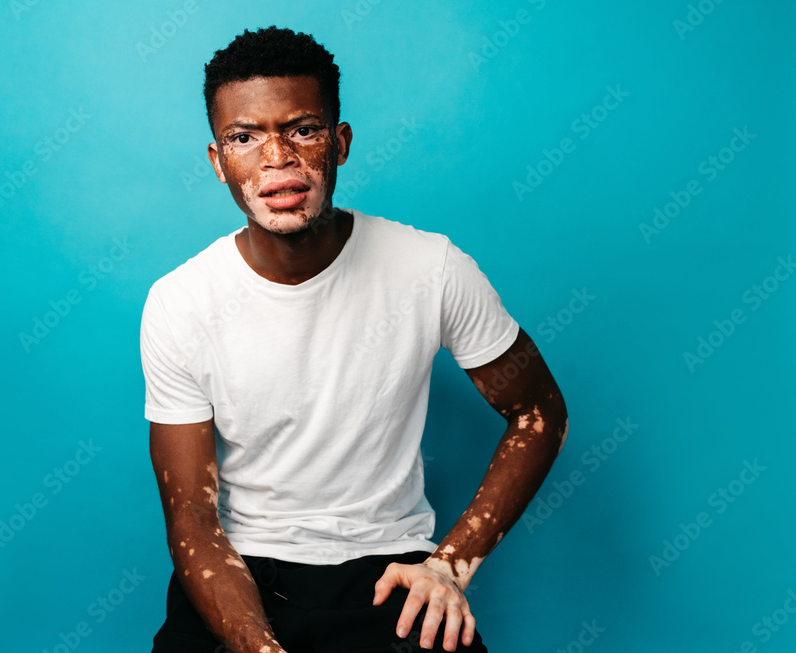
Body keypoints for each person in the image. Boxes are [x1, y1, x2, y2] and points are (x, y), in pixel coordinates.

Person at [140, 26, 568, 653]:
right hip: (240, 575)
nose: (277, 157)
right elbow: (193, 520)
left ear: (339, 143)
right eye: (244, 137)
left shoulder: (432, 268)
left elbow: (538, 411)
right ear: (218, 161)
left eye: (303, 129)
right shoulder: (180, 301)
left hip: (388, 576)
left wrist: (449, 564)